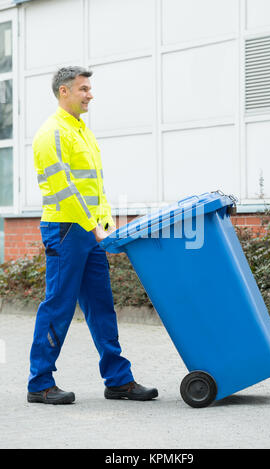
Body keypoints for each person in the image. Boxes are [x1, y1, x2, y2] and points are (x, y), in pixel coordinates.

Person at [27, 66, 158, 404]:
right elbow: (65, 188)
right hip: (66, 230)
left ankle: (118, 380)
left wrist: (106, 225)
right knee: (58, 305)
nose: (90, 94)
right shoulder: (51, 133)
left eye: (89, 88)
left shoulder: (81, 130)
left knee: (101, 307)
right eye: (83, 89)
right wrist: (93, 226)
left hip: (90, 231)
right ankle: (39, 383)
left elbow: (93, 188)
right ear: (64, 92)